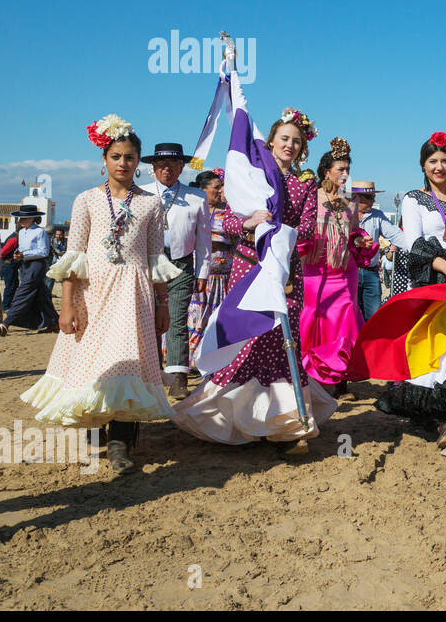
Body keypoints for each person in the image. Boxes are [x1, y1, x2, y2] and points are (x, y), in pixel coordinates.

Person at [171, 107, 338, 455]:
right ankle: (240, 423)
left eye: (296, 141)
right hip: (248, 269)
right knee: (248, 341)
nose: (289, 146)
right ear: (271, 141)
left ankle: (285, 426)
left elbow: (308, 226)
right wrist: (249, 225)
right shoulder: (250, 176)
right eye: (284, 139)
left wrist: (277, 232)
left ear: (302, 148)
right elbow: (226, 221)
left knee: (282, 343)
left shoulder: (304, 184)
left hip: (286, 274)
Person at [21, 116, 180, 473]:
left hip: (134, 295)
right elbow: (73, 257)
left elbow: (156, 259)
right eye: (116, 156)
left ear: (139, 163)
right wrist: (68, 304)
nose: (123, 163)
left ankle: (122, 442)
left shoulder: (151, 205)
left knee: (129, 362)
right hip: (94, 292)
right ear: (104, 159)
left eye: (129, 157)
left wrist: (162, 303)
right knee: (95, 362)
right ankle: (97, 425)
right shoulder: (86, 200)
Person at [374, 133, 446, 448]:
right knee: (434, 346)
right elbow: (414, 242)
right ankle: (442, 417)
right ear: (423, 165)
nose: (440, 167)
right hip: (431, 280)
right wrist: (442, 265)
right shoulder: (413, 199)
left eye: (445, 160)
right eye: (433, 161)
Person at [298, 137, 375, 399]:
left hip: (344, 271)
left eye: (347, 169)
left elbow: (352, 234)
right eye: (340, 169)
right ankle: (314, 376)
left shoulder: (350, 203)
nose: (345, 174)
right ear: (325, 171)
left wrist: (360, 239)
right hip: (314, 271)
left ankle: (341, 381)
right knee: (315, 320)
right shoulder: (311, 197)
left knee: (343, 322)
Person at [140, 141, 211, 400]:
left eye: (172, 165)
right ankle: (151, 374)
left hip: (182, 264)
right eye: (160, 165)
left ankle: (179, 376)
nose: (166, 170)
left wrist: (203, 272)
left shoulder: (197, 197)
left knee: (176, 320)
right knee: (147, 321)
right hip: (148, 263)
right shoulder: (141, 194)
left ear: (181, 167)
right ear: (153, 168)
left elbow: (204, 240)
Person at [186, 169, 234, 364]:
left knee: (215, 318)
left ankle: (208, 359)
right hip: (198, 276)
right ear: (202, 189)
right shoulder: (193, 209)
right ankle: (188, 360)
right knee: (195, 316)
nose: (220, 191)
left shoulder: (229, 212)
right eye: (216, 187)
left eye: (221, 187)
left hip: (222, 278)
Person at [352, 180, 408, 322]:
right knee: (352, 318)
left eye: (373, 196)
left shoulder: (377, 215)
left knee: (374, 320)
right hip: (349, 273)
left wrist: (417, 245)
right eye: (370, 197)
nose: (373, 200)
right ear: (356, 197)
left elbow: (396, 235)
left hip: (371, 273)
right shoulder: (344, 215)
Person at [5, 206, 58, 333]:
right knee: (42, 295)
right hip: (25, 266)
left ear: (33, 218)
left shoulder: (40, 232)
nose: (20, 220)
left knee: (22, 293)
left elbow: (44, 251)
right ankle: (54, 322)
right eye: (20, 217)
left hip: (37, 266)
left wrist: (24, 254)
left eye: (24, 217)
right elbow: (23, 250)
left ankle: (5, 323)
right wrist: (18, 255)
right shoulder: (22, 232)